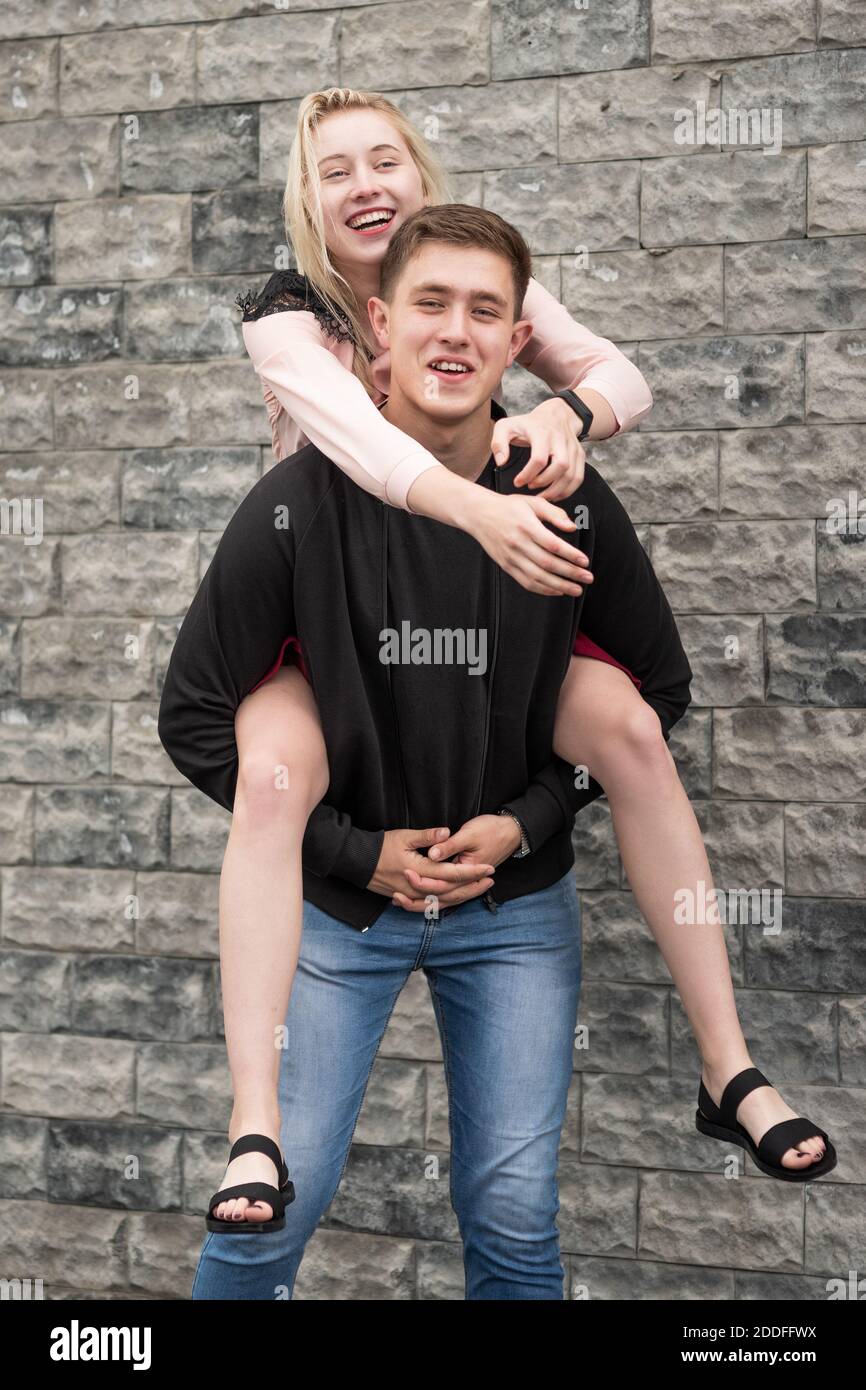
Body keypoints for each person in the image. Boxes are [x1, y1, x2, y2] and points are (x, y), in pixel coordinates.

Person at [158, 205, 835, 1300]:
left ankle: (731, 1066)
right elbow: (192, 716)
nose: (454, 332)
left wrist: (531, 815)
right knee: (271, 1213)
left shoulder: (558, 492)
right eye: (429, 304)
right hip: (341, 909)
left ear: (517, 342)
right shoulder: (296, 507)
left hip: (508, 910)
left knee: (515, 1217)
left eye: (485, 312)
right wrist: (352, 850)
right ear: (378, 326)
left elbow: (658, 691)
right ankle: (255, 1125)